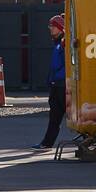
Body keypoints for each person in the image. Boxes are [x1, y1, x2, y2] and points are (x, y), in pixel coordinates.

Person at [36, 14, 67, 149]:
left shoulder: (63, 43)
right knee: (55, 116)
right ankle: (46, 143)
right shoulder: (58, 44)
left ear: (60, 28)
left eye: (52, 27)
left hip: (62, 84)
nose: (50, 29)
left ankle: (87, 138)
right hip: (56, 84)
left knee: (67, 115)